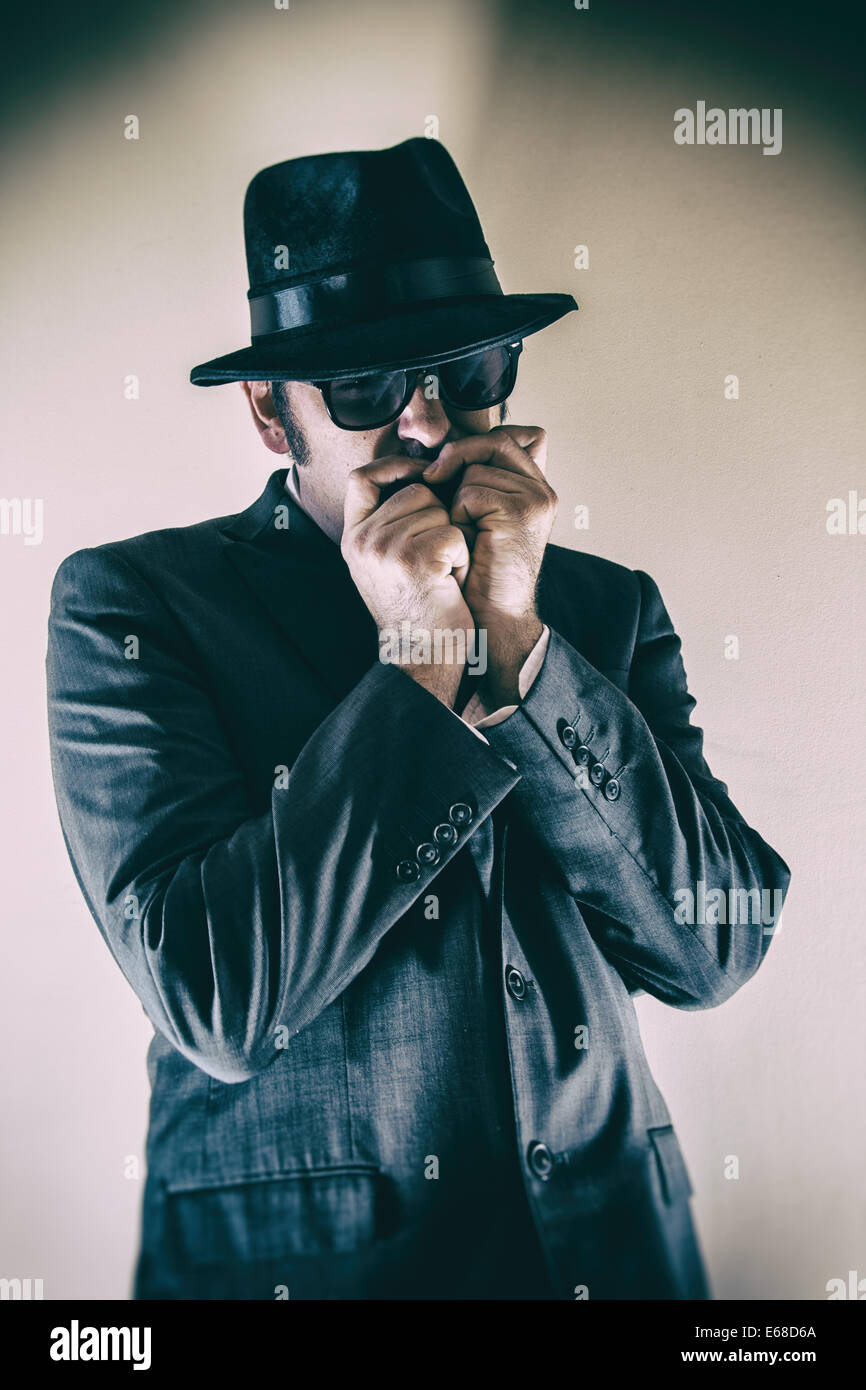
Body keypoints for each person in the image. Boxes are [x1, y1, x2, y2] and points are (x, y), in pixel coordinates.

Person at [46, 137, 790, 1300]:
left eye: (473, 368)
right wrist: (422, 667)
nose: (430, 426)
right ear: (266, 412)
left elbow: (713, 947)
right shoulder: (137, 606)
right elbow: (215, 998)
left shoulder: (602, 607)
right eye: (361, 385)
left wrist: (519, 650)